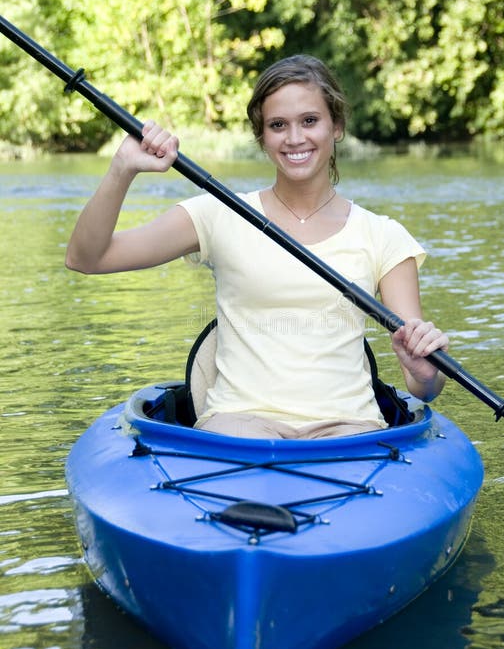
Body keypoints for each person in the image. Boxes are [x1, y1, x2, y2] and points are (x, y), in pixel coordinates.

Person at [66, 55, 449, 439]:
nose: (295, 138)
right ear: (261, 136)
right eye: (278, 125)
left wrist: (424, 373)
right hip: (239, 426)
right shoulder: (219, 213)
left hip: (349, 428)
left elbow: (424, 389)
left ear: (337, 126)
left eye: (310, 121)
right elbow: (88, 258)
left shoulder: (383, 236)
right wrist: (123, 167)